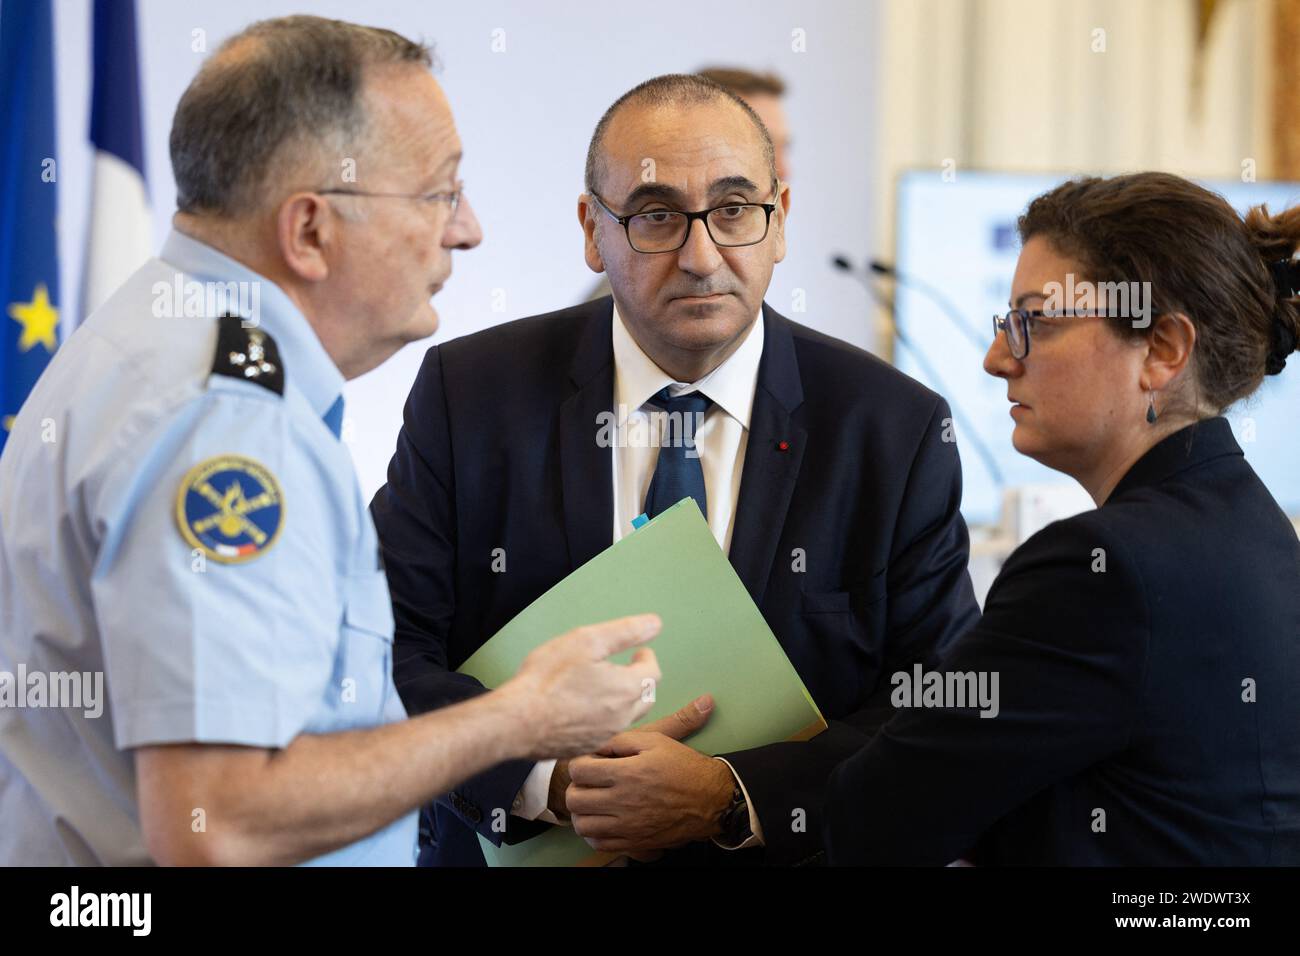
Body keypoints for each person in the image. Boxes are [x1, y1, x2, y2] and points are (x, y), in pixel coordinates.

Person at [0, 15, 660, 867]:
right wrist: (519, 717)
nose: (467, 230)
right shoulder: (225, 419)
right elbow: (219, 818)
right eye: (440, 193)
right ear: (309, 231)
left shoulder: (151, 340)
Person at [371, 73, 980, 866]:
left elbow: (933, 706)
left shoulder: (890, 428)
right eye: (657, 216)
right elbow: (388, 651)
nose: (701, 257)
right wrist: (545, 780)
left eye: (734, 211)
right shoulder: (472, 397)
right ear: (593, 231)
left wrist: (729, 795)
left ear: (781, 220)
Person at [824, 171, 1300, 865]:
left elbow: (872, 824)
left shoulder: (1099, 571)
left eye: (1035, 324)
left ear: (1163, 349)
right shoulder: (1261, 532)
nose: (996, 360)